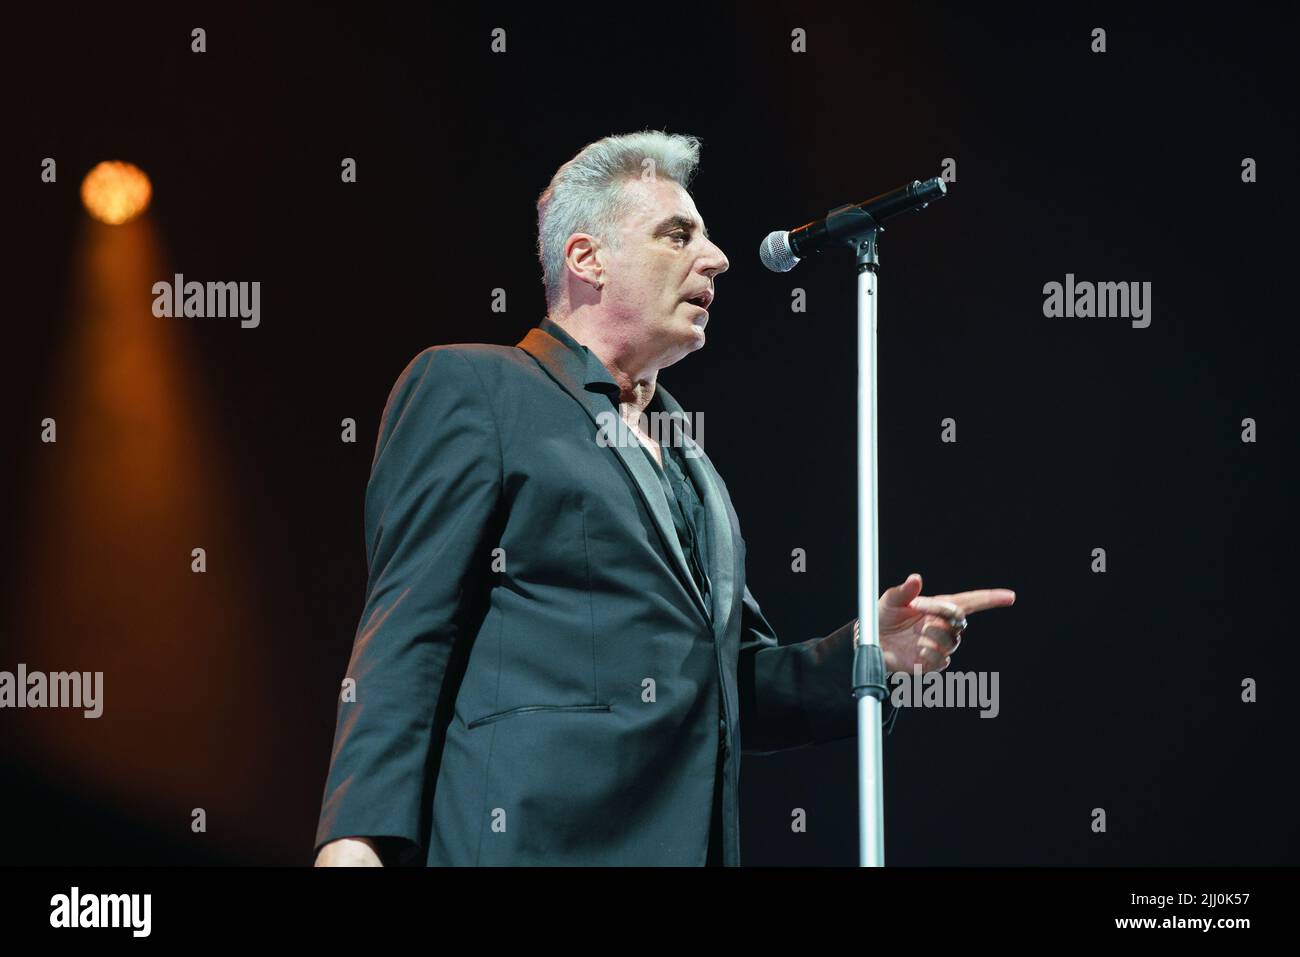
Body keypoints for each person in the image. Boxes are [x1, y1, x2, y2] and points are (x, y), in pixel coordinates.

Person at [313, 130, 1015, 866]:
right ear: (587, 259)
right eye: (677, 235)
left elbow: (724, 682)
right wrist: (355, 840)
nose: (716, 258)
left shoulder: (691, 457)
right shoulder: (477, 389)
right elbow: (407, 633)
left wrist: (867, 654)